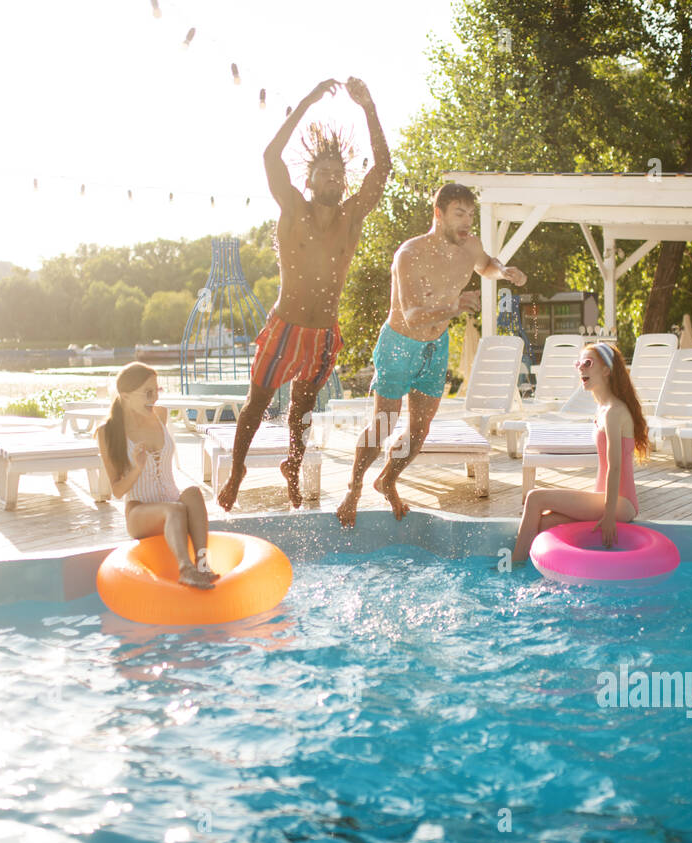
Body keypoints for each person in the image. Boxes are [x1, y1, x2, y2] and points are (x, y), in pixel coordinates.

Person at [216, 76, 391, 511]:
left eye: (339, 173)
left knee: (302, 412)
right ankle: (237, 471)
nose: (333, 177)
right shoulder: (294, 209)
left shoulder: (352, 218)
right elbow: (270, 155)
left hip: (323, 335)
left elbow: (383, 168)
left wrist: (368, 108)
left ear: (344, 182)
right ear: (310, 180)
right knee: (256, 405)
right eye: (324, 172)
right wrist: (308, 102)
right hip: (284, 327)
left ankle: (292, 465)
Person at [337, 183, 526, 528]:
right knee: (383, 426)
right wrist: (454, 306)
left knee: (420, 430)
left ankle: (387, 480)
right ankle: (354, 488)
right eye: (459, 214)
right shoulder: (410, 254)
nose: (467, 221)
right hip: (400, 344)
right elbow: (411, 314)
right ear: (438, 214)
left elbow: (485, 265)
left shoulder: (470, 245)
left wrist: (503, 271)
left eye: (471, 214)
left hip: (435, 347)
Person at [512, 343, 649, 561]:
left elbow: (615, 468)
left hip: (620, 503)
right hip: (606, 498)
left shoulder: (614, 412)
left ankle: (512, 568)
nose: (581, 368)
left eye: (588, 363)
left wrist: (609, 515)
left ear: (606, 370)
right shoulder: (602, 408)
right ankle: (529, 567)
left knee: (535, 498)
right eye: (579, 364)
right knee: (546, 521)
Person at [96, 362, 219, 589]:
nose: (154, 398)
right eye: (147, 392)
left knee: (193, 493)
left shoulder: (160, 415)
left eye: (157, 390)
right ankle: (186, 570)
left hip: (171, 500)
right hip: (139, 511)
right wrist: (137, 468)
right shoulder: (108, 432)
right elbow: (117, 491)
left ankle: (202, 565)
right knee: (175, 509)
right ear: (125, 396)